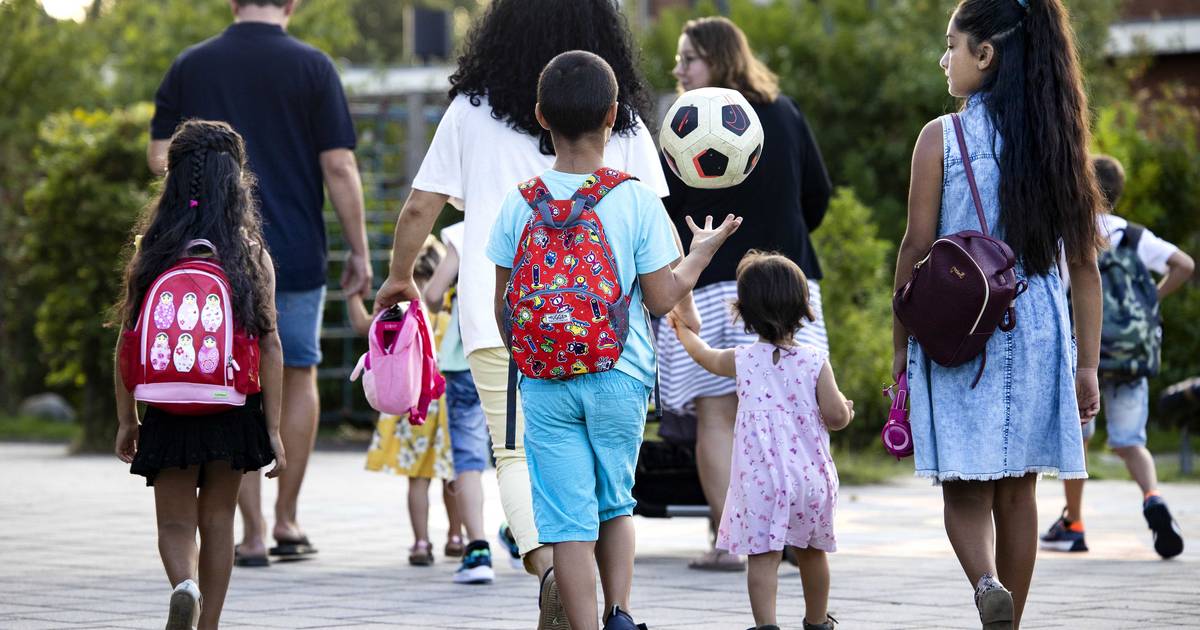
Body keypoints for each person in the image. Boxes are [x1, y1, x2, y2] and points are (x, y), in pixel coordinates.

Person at [373, 2, 668, 626]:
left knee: (514, 454)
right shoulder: (626, 125)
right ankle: (606, 600)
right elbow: (653, 236)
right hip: (613, 344)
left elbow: (423, 204)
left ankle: (557, 571)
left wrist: (400, 278)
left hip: (506, 321)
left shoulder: (471, 109)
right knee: (611, 486)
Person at [487, 50, 741, 630]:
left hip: (545, 382)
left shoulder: (518, 201)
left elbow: (504, 302)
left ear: (539, 117)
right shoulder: (634, 199)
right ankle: (620, 613)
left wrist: (532, 354)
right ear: (613, 115)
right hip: (619, 375)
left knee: (564, 521)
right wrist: (699, 255)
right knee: (614, 504)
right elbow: (658, 297)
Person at [892, 1, 1104, 628]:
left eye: (950, 46)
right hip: (1038, 324)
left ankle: (986, 582)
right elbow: (1084, 268)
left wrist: (900, 348)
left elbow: (915, 247)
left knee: (963, 484)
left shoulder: (941, 137)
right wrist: (1086, 366)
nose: (944, 59)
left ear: (985, 55)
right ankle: (1010, 620)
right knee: (1020, 490)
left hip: (962, 323)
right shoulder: (1060, 142)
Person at [147, 0, 370, 565]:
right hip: (293, 251)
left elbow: (158, 157)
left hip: (205, 252)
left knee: (236, 379)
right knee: (296, 372)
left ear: (232, 2)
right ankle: (287, 521)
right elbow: (340, 167)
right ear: (291, 4)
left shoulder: (189, 65)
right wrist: (360, 250)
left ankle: (248, 532)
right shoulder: (314, 67)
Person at [658, 16, 833, 572]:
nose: (679, 69)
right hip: (787, 281)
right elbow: (818, 195)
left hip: (707, 280)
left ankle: (730, 541)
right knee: (793, 408)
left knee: (717, 415)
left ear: (719, 58)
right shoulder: (783, 112)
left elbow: (664, 207)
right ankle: (789, 533)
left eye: (690, 58)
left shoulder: (682, 121)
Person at [114, 120, 286, 630]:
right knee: (217, 521)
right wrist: (272, 429)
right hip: (231, 405)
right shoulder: (249, 252)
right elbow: (271, 342)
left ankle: (184, 587)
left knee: (173, 522)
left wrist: (128, 418)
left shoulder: (154, 249)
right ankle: (206, 623)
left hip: (167, 403)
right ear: (236, 181)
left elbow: (128, 337)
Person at [668, 251, 851, 630]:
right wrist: (846, 410)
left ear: (743, 311)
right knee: (812, 553)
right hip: (808, 480)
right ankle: (817, 621)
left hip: (761, 481)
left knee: (762, 557)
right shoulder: (816, 361)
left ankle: (766, 625)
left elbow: (704, 357)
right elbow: (835, 417)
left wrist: (683, 330)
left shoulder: (742, 360)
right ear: (804, 306)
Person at [1040, 155, 1193, 558]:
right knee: (1130, 441)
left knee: (1080, 442)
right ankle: (1154, 499)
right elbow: (1185, 264)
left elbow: (1058, 289)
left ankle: (1073, 523)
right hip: (1129, 356)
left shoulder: (1071, 233)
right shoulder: (1136, 236)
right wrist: (1149, 301)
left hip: (1084, 351)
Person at [348, 237, 473, 573]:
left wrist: (351, 296)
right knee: (455, 474)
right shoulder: (448, 301)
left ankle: (420, 541)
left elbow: (365, 328)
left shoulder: (397, 308)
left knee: (417, 479)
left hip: (411, 399)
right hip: (445, 398)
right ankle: (456, 536)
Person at [421, 221, 501, 581]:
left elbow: (433, 293)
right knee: (521, 450)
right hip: (525, 351)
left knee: (469, 456)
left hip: (467, 354)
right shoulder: (538, 211)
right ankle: (523, 535)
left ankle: (478, 548)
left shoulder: (462, 231)